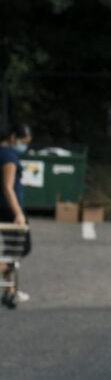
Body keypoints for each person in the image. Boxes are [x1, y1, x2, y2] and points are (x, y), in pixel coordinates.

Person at [1, 122, 32, 307]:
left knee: (11, 250)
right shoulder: (9, 156)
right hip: (10, 209)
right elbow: (8, 187)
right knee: (22, 247)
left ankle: (10, 290)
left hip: (4, 208)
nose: (25, 145)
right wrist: (18, 213)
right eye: (24, 141)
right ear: (13, 137)